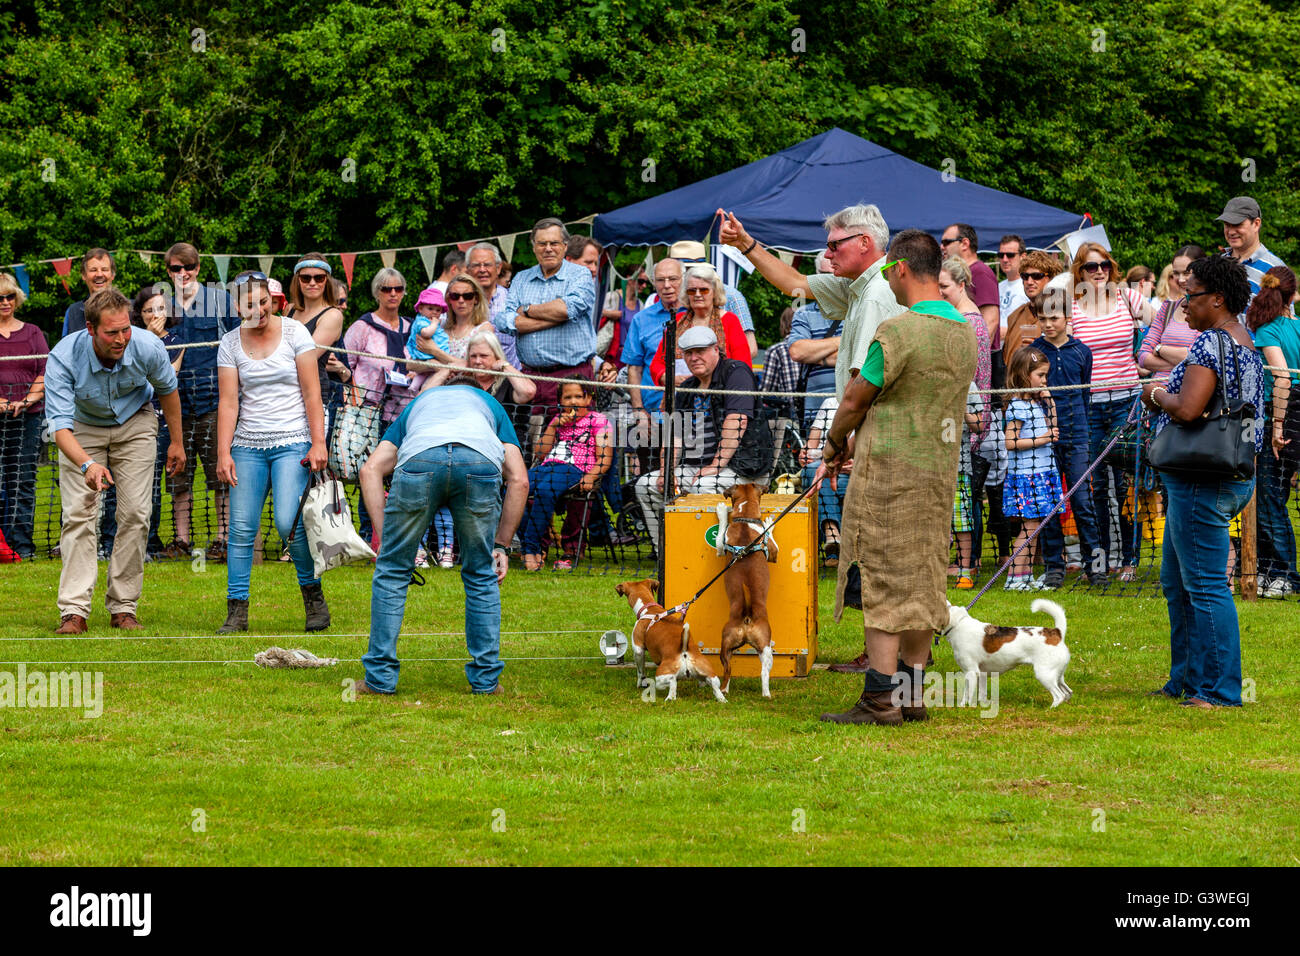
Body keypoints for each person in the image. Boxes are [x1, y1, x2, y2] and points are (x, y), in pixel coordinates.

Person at [816, 230, 978, 725]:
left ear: (901, 270)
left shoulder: (898, 331)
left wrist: (833, 445)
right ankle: (912, 695)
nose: (887, 278)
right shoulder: (965, 332)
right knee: (925, 581)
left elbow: (854, 398)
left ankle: (879, 699)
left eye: (888, 271)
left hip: (887, 472)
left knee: (884, 581)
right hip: (938, 476)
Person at [1141, 254, 1266, 708]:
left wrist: (1155, 394)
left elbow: (1190, 408)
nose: (1182, 305)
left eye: (1189, 296)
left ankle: (1218, 690)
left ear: (1217, 298)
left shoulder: (1211, 342)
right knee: (1178, 583)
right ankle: (1187, 680)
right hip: (1222, 475)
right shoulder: (1244, 341)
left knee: (1207, 585)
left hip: (1202, 480)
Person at [355, 383, 529, 697]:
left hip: (421, 459)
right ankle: (486, 682)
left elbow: (370, 471)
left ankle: (379, 680)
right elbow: (519, 479)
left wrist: (388, 545)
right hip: (480, 464)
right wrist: (501, 545)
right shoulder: (491, 405)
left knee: (392, 572)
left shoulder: (419, 404)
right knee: (480, 573)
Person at [45, 288, 185, 633]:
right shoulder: (63, 357)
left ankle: (123, 607)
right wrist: (87, 465)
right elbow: (60, 428)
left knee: (137, 513)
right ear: (91, 329)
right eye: (112, 332)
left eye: (125, 329)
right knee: (79, 514)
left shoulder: (147, 346)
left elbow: (168, 390)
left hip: (135, 422)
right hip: (82, 428)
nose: (121, 338)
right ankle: (74, 611)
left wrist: (177, 443)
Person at [214, 272, 330, 633]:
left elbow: (313, 393)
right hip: (247, 444)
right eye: (250, 304)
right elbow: (229, 402)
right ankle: (237, 611)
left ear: (273, 300)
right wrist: (223, 451)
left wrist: (318, 442)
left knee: (287, 522)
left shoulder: (296, 333)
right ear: (237, 306)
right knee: (241, 528)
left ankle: (313, 597)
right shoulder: (229, 343)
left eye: (264, 302)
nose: (259, 310)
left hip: (293, 441)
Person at [633, 326, 770, 549]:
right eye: (688, 353)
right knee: (646, 484)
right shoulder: (688, 388)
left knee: (703, 487)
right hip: (697, 469)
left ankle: (704, 554)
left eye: (700, 351)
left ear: (716, 349)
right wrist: (667, 471)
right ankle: (667, 555)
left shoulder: (736, 372)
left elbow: (737, 421)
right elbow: (674, 436)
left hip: (742, 469)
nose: (694, 357)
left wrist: (715, 466)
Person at [1069, 242, 1154, 581]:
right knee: (1096, 488)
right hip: (1089, 406)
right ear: (1080, 271)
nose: (1099, 271)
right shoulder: (1072, 306)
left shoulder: (1127, 298)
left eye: (1104, 264)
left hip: (1126, 401)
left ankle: (1130, 560)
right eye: (1091, 267)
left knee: (1124, 484)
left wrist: (1150, 356)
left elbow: (1159, 322)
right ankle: (1103, 560)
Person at [343, 267, 433, 540]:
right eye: (386, 289)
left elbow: (427, 360)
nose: (392, 294)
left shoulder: (414, 326)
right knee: (370, 472)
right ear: (377, 293)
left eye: (398, 289)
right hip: (369, 411)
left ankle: (405, 534)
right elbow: (346, 367)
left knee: (404, 474)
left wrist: (416, 371)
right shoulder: (362, 327)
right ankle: (370, 533)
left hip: (406, 411)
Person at [167, 242, 238, 563]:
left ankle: (223, 538)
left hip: (215, 402)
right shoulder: (163, 305)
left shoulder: (220, 300)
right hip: (175, 405)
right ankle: (181, 539)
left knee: (220, 474)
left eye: (189, 267)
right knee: (178, 477)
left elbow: (239, 341)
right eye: (176, 269)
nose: (183, 274)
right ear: (167, 271)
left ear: (198, 268)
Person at [1032, 285, 1104, 588]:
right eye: (1043, 319)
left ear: (1067, 317)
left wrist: (1082, 431)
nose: (1048, 325)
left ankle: (1096, 567)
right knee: (1049, 504)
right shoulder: (1034, 352)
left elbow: (1085, 393)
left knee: (1083, 502)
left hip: (1077, 437)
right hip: (1044, 439)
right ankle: (1054, 567)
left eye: (1054, 318)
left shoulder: (1081, 352)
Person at [496, 217, 597, 416]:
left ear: (565, 247)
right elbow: (504, 320)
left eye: (554, 243)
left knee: (574, 442)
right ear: (534, 247)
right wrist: (551, 318)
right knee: (529, 443)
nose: (548, 248)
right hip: (530, 379)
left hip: (572, 378)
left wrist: (526, 309)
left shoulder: (580, 275)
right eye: (542, 243)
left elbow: (567, 309)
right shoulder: (521, 278)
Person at [1246, 266, 1300, 598]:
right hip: (1297, 414)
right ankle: (1269, 572)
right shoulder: (1296, 326)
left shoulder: (1267, 330)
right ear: (1291, 296)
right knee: (1275, 498)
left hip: (1278, 414)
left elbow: (1281, 378)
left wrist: (1277, 427)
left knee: (1270, 501)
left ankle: (1285, 574)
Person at [520, 381, 613, 571]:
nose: (573, 402)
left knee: (546, 490)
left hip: (575, 468)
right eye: (567, 397)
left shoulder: (599, 420)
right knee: (512, 489)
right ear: (560, 401)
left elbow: (605, 458)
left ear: (588, 399)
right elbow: (540, 454)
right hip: (547, 467)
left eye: (578, 396)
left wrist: (590, 477)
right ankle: (534, 545)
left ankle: (530, 549)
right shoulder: (557, 420)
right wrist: (553, 427)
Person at [938, 257, 992, 583]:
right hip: (950, 425)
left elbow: (967, 377)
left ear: (960, 285)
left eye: (944, 287)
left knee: (965, 499)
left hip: (966, 417)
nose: (939, 293)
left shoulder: (968, 322)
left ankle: (966, 563)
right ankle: (962, 563)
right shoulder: (960, 317)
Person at [129, 284, 185, 559]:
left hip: (163, 422)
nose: (155, 314)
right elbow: (132, 376)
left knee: (155, 485)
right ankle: (130, 539)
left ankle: (151, 540)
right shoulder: (131, 339)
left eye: (160, 309)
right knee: (136, 483)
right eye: (148, 310)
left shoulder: (178, 340)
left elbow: (168, 376)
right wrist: (147, 337)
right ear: (139, 314)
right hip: (135, 418)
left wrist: (153, 341)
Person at [1001, 348, 1060, 590]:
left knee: (1035, 527)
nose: (1045, 380)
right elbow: (1010, 442)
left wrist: (1051, 402)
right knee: (1029, 527)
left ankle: (1025, 576)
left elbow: (1053, 431)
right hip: (1027, 475)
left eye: (1046, 376)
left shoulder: (1036, 403)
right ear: (1025, 375)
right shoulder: (1017, 406)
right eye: (1041, 375)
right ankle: (1013, 578)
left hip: (1043, 471)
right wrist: (1043, 439)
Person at [0, 273, 48, 561]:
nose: (5, 302)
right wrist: (3, 403)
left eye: (9, 296)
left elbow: (46, 369)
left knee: (22, 481)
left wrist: (26, 400)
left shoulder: (33, 332)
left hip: (29, 417)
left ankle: (21, 546)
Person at [621, 257, 681, 473]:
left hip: (692, 414)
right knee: (650, 476)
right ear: (654, 283)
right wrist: (638, 411)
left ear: (683, 280)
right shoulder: (641, 319)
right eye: (661, 280)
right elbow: (634, 368)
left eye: (673, 279)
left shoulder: (696, 314)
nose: (667, 285)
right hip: (652, 413)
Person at [648, 264, 751, 387]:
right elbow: (657, 364)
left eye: (703, 290)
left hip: (722, 397)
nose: (697, 294)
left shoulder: (729, 320)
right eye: (692, 290)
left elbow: (743, 365)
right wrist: (668, 378)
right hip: (680, 397)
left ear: (714, 292)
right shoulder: (677, 321)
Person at [285, 255, 346, 428]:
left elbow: (306, 357)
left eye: (319, 278)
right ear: (298, 280)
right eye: (306, 278)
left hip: (313, 397)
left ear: (327, 281)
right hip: (285, 394)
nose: (312, 283)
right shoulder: (289, 310)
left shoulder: (332, 315)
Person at [667, 240, 757, 356]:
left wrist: (721, 369)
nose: (697, 294)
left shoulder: (731, 296)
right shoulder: (670, 299)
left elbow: (751, 348)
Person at [786, 252, 839, 430]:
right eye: (825, 275)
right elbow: (797, 351)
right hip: (814, 415)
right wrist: (844, 341)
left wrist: (814, 355)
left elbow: (861, 355)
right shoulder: (803, 313)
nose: (832, 280)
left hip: (854, 409)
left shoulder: (860, 310)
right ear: (816, 276)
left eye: (836, 274)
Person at [1139, 246, 1205, 379]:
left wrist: (1159, 349)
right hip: (1156, 394)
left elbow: (1197, 358)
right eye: (1176, 273)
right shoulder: (1168, 308)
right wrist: (1181, 361)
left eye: (1186, 273)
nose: (1180, 279)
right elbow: (1142, 356)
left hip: (1189, 394)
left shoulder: (1208, 311)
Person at [798, 396, 849, 567]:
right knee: (812, 472)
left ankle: (835, 548)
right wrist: (804, 453)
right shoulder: (829, 403)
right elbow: (810, 445)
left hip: (852, 472)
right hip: (822, 467)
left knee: (832, 483)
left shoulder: (871, 403)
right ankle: (831, 534)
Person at [1216, 196, 1287, 314]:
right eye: (1227, 225)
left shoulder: (1275, 270)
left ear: (1256, 224)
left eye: (1237, 224)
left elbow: (1282, 326)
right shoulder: (1217, 264)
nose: (1231, 231)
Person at [1001, 251, 1063, 368]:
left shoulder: (1061, 314)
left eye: (1036, 276)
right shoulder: (1014, 316)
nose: (1029, 282)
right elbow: (1006, 359)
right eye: (1025, 276)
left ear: (1050, 279)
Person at [940, 223, 999, 342]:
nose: (941, 247)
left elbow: (991, 321)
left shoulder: (980, 272)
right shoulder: (971, 271)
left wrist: (979, 354)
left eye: (946, 242)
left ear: (965, 244)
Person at [464, 241, 518, 366]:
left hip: (508, 378)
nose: (482, 270)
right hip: (470, 378)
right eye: (476, 265)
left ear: (498, 268)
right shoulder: (457, 302)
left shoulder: (513, 300)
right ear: (467, 271)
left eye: (487, 265)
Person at [60, 248, 117, 337]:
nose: (99, 274)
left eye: (104, 269)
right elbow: (65, 347)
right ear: (84, 275)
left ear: (112, 275)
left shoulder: (129, 309)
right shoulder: (73, 312)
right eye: (93, 270)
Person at [406, 288, 454, 363]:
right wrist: (434, 324)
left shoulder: (430, 321)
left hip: (435, 354)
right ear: (421, 309)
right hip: (425, 355)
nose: (434, 312)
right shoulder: (421, 321)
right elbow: (426, 333)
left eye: (438, 310)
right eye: (430, 308)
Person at [997, 234, 1029, 327]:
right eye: (1001, 255)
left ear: (1023, 256)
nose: (1005, 259)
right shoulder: (998, 286)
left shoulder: (1030, 286)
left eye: (1010, 255)